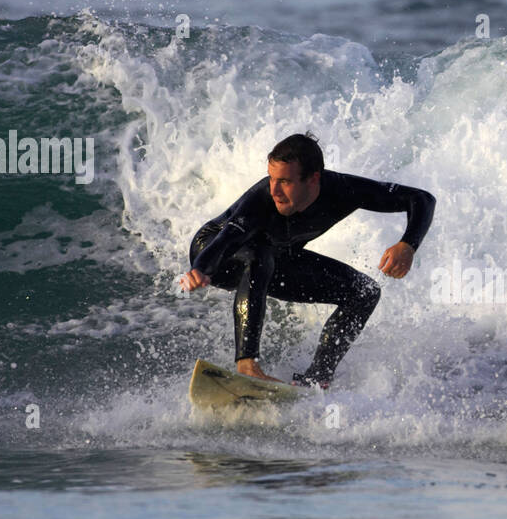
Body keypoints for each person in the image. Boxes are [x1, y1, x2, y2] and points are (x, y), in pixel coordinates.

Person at [179, 133, 435, 387]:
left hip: (274, 258)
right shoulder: (261, 199)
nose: (274, 190)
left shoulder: (343, 190)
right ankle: (247, 365)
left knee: (364, 292)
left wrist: (408, 244)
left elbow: (421, 199)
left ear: (313, 179)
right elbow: (227, 238)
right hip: (215, 250)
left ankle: (318, 377)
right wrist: (201, 268)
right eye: (271, 178)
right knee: (259, 254)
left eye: (284, 181)